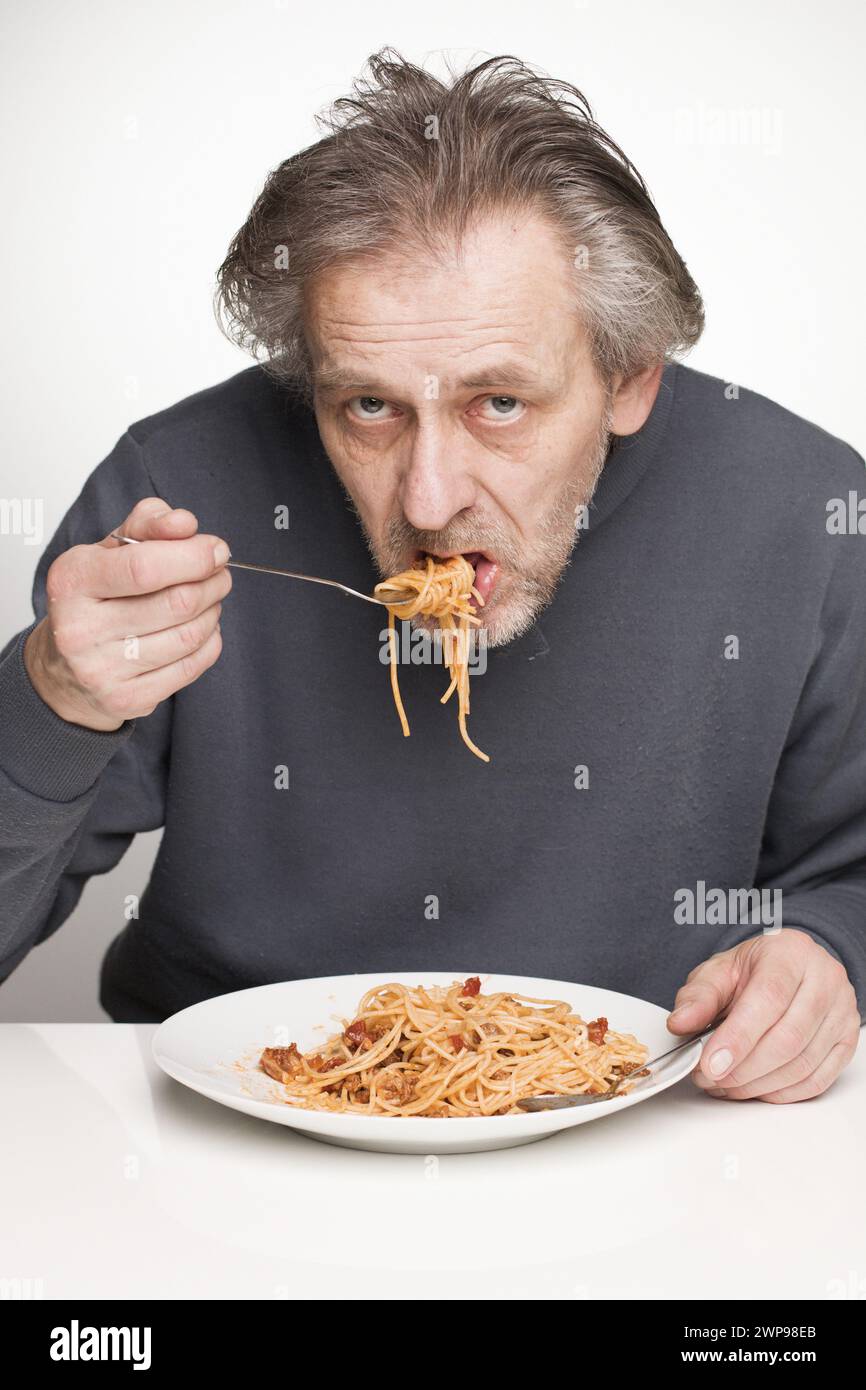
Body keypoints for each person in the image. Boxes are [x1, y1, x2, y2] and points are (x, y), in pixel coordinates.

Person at [1, 50, 862, 1104]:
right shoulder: (172, 493)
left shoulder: (807, 510)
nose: (426, 499)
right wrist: (49, 699)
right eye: (366, 406)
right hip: (224, 1134)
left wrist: (829, 952)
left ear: (630, 373)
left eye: (497, 403)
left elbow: (850, 872)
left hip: (663, 1128)